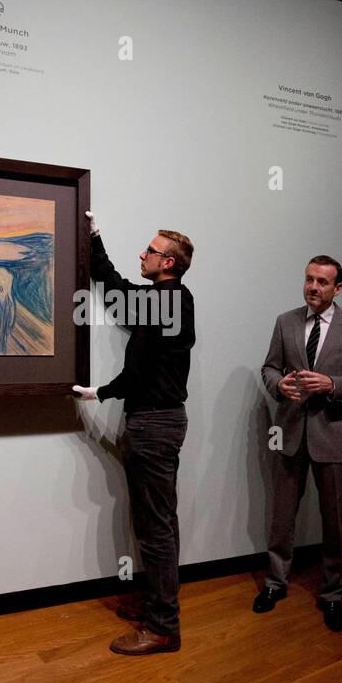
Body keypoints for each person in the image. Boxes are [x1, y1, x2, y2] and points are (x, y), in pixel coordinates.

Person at [73, 210, 195, 655]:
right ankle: (157, 604)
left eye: (150, 250)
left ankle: (163, 627)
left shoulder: (172, 303)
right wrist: (95, 239)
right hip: (154, 421)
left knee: (156, 528)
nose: (142, 254)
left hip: (155, 423)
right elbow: (116, 285)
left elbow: (139, 372)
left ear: (169, 263)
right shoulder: (163, 301)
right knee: (158, 522)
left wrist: (101, 392)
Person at [257, 256, 342, 630]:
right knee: (282, 516)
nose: (313, 287)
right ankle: (275, 584)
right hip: (290, 432)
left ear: (337, 288)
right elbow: (269, 367)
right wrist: (278, 385)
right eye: (309, 279)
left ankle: (333, 594)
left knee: (334, 520)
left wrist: (333, 385)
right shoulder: (285, 322)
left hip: (333, 434)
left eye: (322, 282)